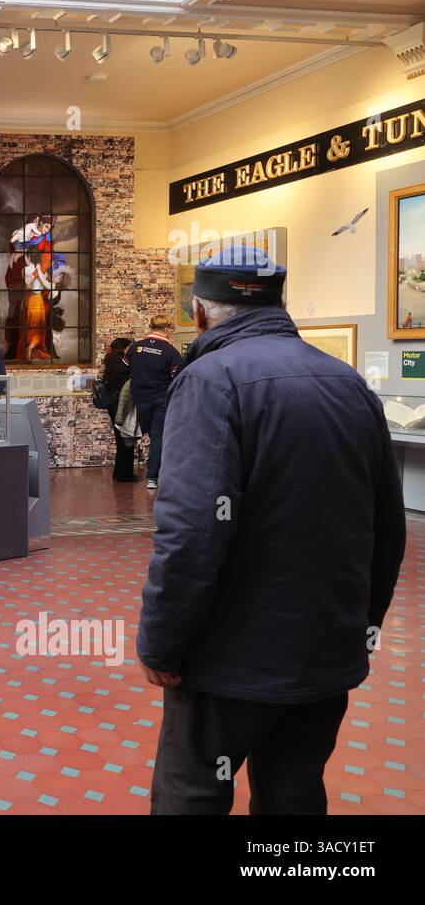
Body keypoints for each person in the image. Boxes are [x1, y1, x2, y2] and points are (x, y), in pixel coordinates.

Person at [138, 243, 405, 815]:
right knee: (294, 794)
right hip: (324, 655)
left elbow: (192, 533)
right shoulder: (348, 383)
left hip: (228, 663)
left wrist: (161, 642)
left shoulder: (210, 380)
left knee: (194, 793)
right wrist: (361, 627)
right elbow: (387, 525)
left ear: (201, 311)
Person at [123, 314, 181, 489]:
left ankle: (154, 472)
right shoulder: (170, 351)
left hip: (140, 400)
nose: (172, 332)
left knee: (150, 434)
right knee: (158, 437)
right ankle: (152, 478)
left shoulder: (135, 347)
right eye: (171, 329)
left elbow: (123, 370)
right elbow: (178, 377)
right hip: (161, 399)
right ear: (166, 329)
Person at [100, 337, 136, 482]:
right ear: (124, 348)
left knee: (120, 439)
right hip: (123, 403)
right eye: (130, 347)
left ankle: (120, 473)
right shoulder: (125, 363)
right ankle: (125, 474)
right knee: (127, 439)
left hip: (112, 404)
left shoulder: (109, 361)